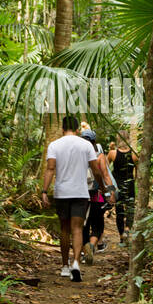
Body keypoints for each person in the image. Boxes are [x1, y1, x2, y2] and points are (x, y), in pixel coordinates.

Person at [41, 115, 104, 282]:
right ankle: (76, 262)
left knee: (64, 230)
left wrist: (44, 191)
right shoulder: (86, 145)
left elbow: (50, 169)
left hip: (62, 192)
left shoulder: (54, 145)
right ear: (77, 130)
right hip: (80, 193)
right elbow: (96, 170)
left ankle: (64, 266)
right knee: (77, 229)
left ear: (62, 128)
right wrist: (103, 188)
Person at [79, 127, 115, 264]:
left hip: (81, 194)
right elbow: (105, 175)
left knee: (83, 225)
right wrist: (110, 192)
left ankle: (84, 251)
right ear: (94, 142)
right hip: (97, 195)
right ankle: (92, 246)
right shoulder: (99, 157)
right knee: (97, 225)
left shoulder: (77, 156)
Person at [108, 134, 138, 241]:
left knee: (119, 209)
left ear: (117, 140)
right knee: (130, 208)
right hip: (130, 184)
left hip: (117, 185)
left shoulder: (112, 153)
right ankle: (127, 228)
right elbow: (138, 172)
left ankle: (121, 235)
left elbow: (106, 169)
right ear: (128, 139)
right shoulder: (134, 155)